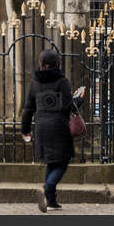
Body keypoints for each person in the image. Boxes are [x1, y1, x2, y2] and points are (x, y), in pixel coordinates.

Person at [19, 48, 86, 211]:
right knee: (62, 161)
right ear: (57, 63)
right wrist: (79, 98)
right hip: (58, 126)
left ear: (41, 63)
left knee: (51, 161)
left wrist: (25, 129)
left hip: (41, 127)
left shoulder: (35, 83)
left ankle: (51, 200)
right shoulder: (62, 82)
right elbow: (68, 107)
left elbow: (28, 108)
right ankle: (47, 188)